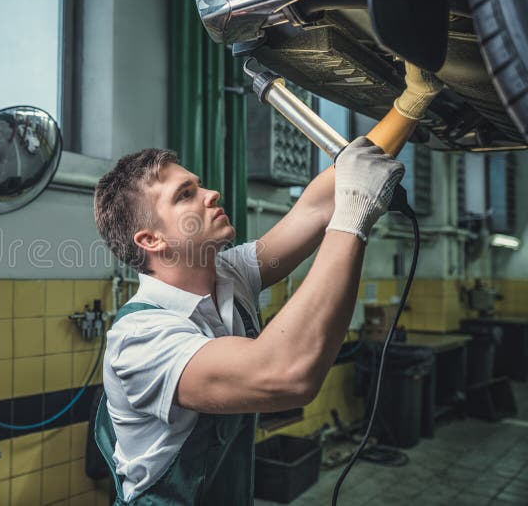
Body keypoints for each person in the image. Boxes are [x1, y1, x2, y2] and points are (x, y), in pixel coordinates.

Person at [92, 63, 442, 505]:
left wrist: (410, 103)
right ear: (151, 239)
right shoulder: (140, 339)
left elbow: (319, 204)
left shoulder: (230, 275)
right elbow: (285, 373)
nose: (211, 194)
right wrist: (353, 219)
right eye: (186, 194)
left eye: (199, 185)